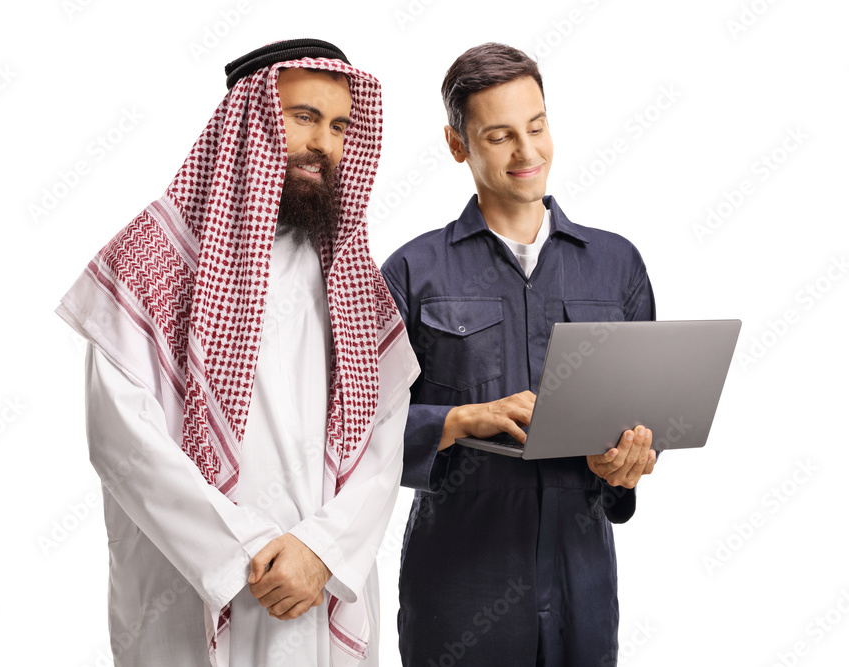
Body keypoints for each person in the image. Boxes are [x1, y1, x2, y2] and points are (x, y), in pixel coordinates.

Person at [57, 39, 418, 667]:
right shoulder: (156, 261)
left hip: (322, 594)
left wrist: (322, 550)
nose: (324, 144)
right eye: (303, 116)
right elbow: (121, 443)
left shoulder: (355, 280)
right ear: (247, 123)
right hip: (194, 598)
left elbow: (384, 447)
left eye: (339, 127)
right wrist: (247, 550)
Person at [381, 43, 657, 666]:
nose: (528, 153)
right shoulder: (413, 271)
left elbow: (646, 421)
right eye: (501, 136)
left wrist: (629, 461)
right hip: (457, 585)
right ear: (458, 145)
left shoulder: (617, 267)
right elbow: (354, 433)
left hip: (582, 582)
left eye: (536, 127)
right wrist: (454, 421)